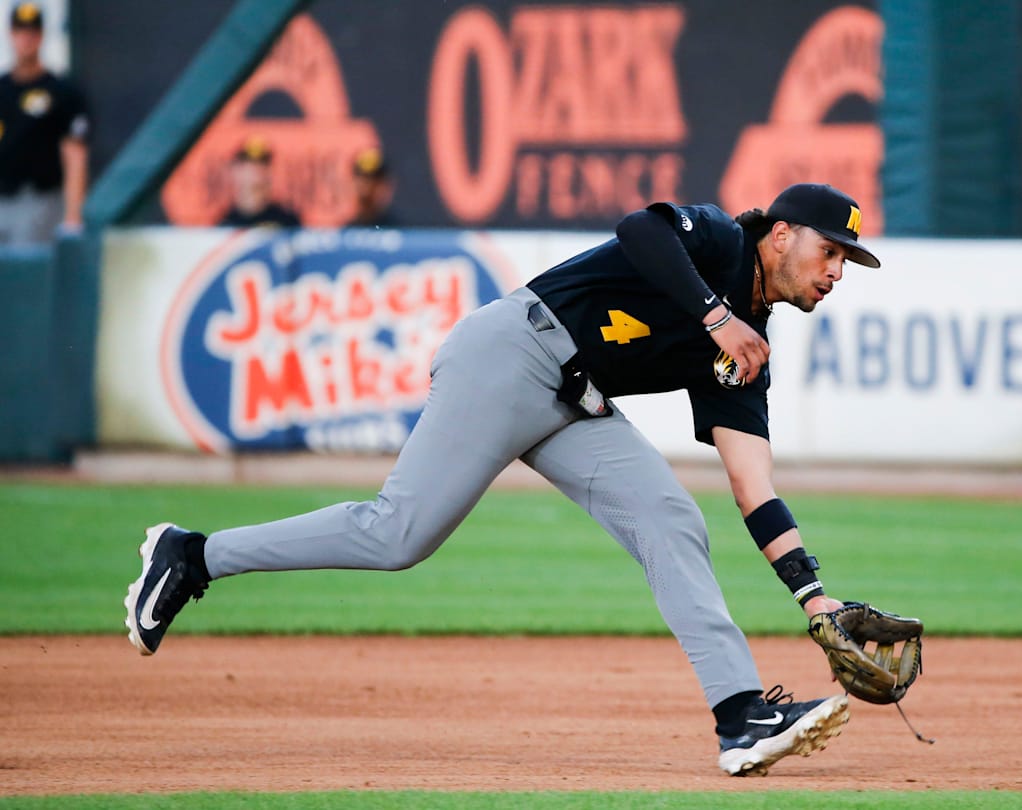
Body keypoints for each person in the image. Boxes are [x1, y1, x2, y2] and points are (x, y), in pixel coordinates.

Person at [124, 182, 882, 777]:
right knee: (397, 536)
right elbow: (639, 230)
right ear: (780, 234)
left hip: (576, 402)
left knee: (671, 519)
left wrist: (814, 598)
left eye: (847, 261)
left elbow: (753, 486)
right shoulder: (720, 240)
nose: (836, 272)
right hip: (514, 349)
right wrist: (715, 314)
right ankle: (193, 555)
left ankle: (742, 716)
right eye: (830, 250)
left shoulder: (746, 351)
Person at [0, 1, 88, 246]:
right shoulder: (2, 89)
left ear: (41, 36)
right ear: (10, 35)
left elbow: (75, 156)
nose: (26, 39)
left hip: (40, 200)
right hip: (2, 196)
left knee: (30, 264)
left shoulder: (61, 92)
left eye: (32, 32)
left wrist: (73, 215)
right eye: (20, 32)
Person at [218, 135, 300, 227]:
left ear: (269, 172)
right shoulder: (225, 224)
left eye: (262, 165)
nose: (256, 173)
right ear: (236, 171)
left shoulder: (287, 221)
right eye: (249, 165)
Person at [346, 146, 397, 228]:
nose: (367, 186)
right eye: (362, 178)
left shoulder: (401, 229)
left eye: (374, 180)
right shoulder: (347, 231)